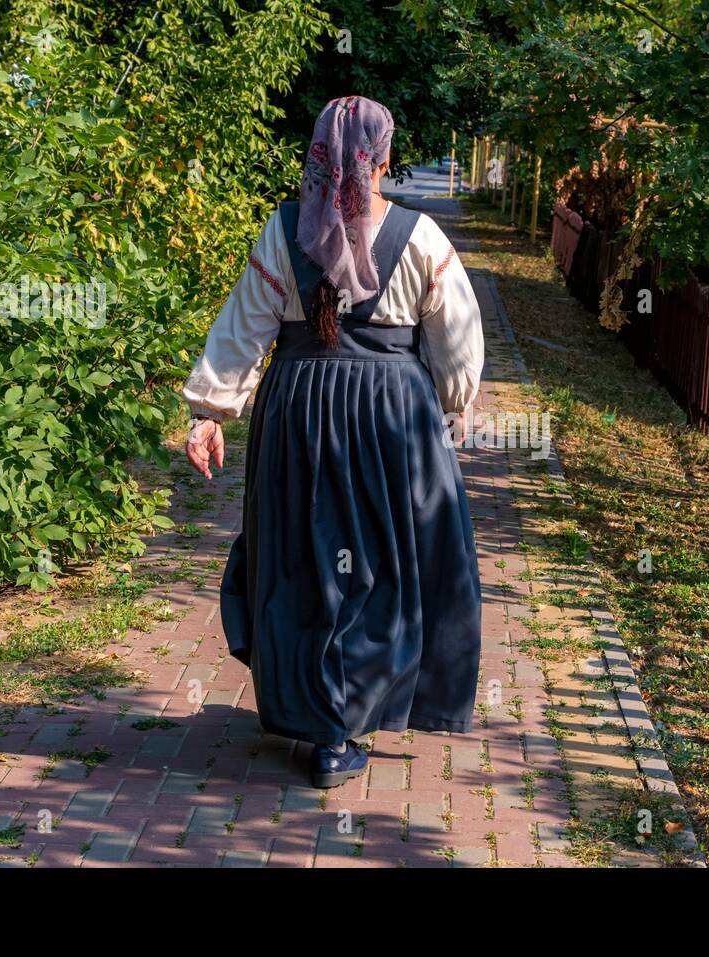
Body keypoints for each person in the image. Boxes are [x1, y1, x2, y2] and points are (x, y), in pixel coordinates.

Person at [180, 96, 484, 788]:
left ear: (318, 155)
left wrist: (211, 410)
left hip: (300, 413)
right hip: (391, 417)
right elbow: (460, 343)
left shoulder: (284, 230)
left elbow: (245, 325)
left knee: (305, 557)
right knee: (383, 562)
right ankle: (345, 719)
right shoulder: (422, 237)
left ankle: (323, 718)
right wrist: (450, 408)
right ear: (379, 158)